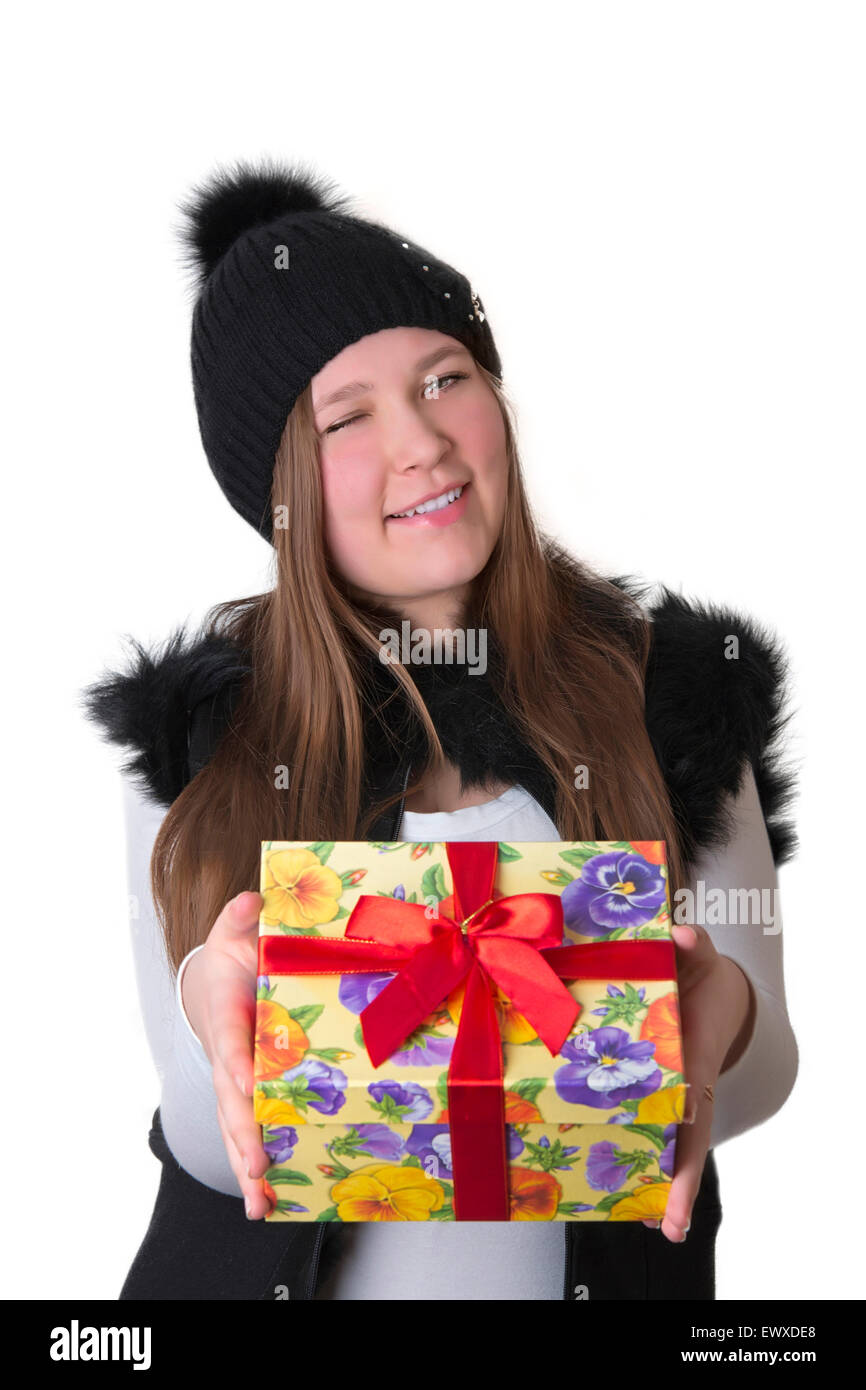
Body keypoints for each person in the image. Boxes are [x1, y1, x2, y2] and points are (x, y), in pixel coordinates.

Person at [82, 157, 799, 1301]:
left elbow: (757, 1078)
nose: (419, 442)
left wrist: (723, 1018)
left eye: (443, 377)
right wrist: (207, 1010)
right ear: (280, 490)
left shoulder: (668, 696)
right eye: (345, 415)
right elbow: (214, 1149)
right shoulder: (202, 736)